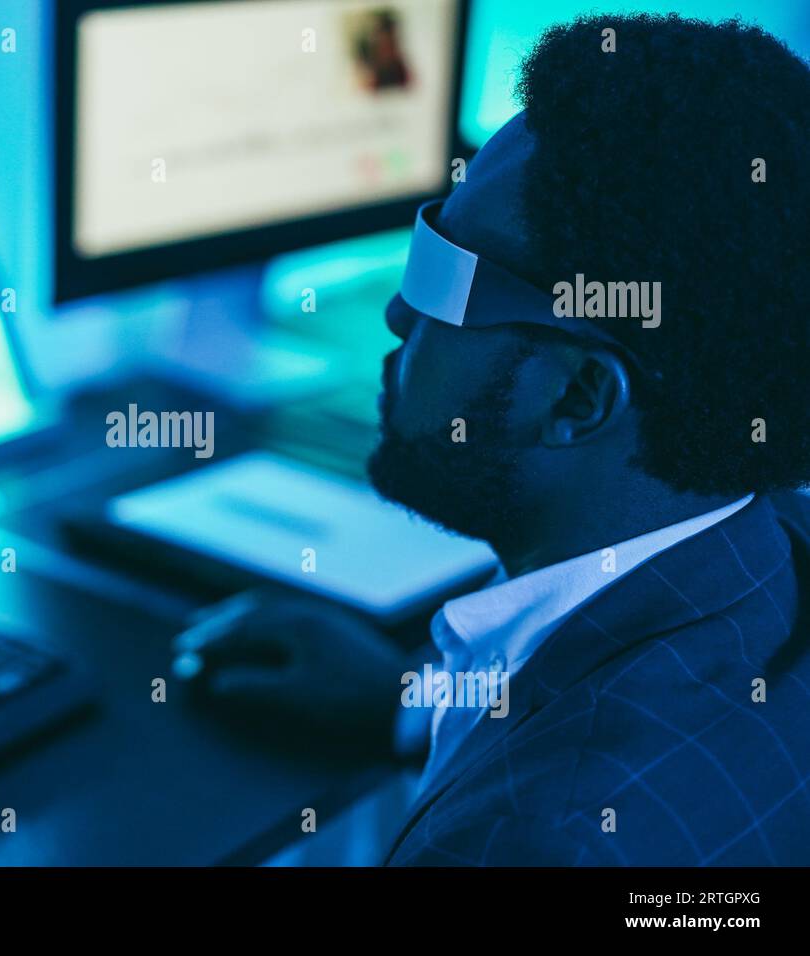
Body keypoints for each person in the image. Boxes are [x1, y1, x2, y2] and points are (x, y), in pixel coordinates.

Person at [173, 14, 810, 865]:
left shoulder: (530, 838)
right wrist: (422, 704)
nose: (400, 313)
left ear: (579, 396)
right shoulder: (778, 552)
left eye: (446, 273)